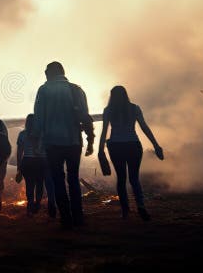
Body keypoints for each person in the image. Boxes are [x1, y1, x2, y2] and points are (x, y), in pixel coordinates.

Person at [28, 62, 95, 228]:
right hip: (73, 141)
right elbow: (85, 116)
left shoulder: (43, 91)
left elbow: (38, 118)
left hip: (52, 143)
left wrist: (35, 140)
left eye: (46, 71)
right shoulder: (76, 89)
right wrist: (90, 139)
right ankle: (78, 217)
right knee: (73, 178)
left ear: (51, 73)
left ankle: (65, 217)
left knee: (57, 179)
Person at [97, 86, 164, 221]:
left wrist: (100, 150)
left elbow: (104, 131)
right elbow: (144, 127)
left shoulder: (108, 110)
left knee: (121, 179)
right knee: (134, 178)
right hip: (133, 145)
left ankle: (125, 210)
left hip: (116, 146)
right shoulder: (134, 108)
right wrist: (156, 145)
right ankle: (141, 206)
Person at [15, 114, 56, 217]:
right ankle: (37, 203)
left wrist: (19, 168)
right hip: (41, 161)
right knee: (39, 184)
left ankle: (30, 204)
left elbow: (19, 152)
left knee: (29, 184)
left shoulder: (22, 134)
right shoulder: (43, 134)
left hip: (28, 161)